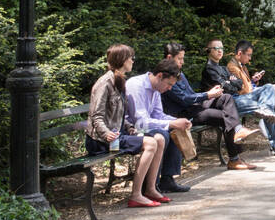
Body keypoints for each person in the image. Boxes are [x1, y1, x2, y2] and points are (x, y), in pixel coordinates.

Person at [87, 44, 168, 208]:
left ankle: (150, 189)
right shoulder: (105, 83)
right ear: (122, 60)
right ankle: (136, 195)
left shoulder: (119, 81)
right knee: (150, 143)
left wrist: (129, 127)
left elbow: (118, 116)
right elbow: (96, 116)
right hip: (100, 141)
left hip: (116, 136)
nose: (133, 61)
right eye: (131, 58)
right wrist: (106, 133)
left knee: (159, 139)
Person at [159, 42, 257, 171]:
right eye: (180, 59)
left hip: (195, 106)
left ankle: (238, 131)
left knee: (226, 98)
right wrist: (207, 95)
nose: (183, 62)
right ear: (169, 57)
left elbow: (191, 94)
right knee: (227, 117)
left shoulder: (180, 74)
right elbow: (184, 100)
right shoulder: (166, 77)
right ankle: (234, 159)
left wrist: (210, 94)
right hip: (186, 114)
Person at [125, 57, 194, 193]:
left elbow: (158, 115)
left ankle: (167, 179)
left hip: (144, 127)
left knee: (174, 129)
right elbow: (140, 122)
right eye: (169, 84)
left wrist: (177, 121)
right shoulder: (136, 85)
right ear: (160, 76)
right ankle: (150, 186)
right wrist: (172, 123)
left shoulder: (156, 89)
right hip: (130, 129)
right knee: (162, 134)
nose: (169, 88)